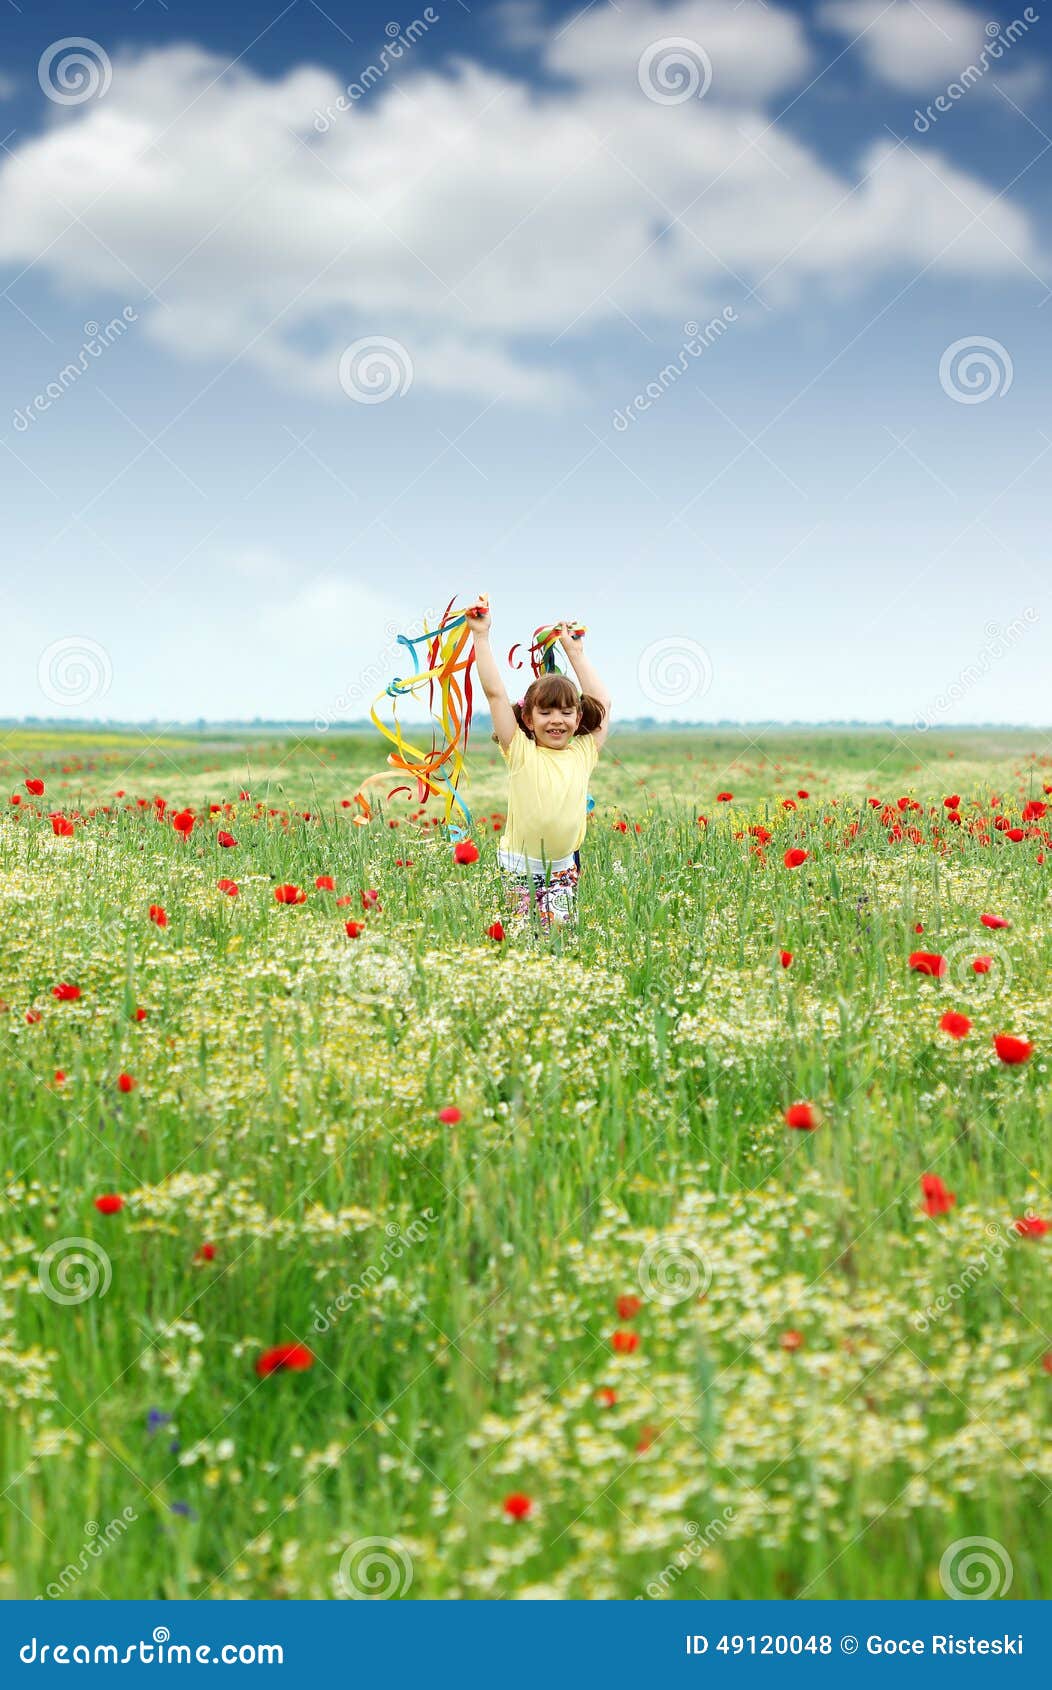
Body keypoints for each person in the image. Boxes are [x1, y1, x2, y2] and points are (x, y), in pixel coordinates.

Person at [467, 605, 611, 929]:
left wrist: (575, 652)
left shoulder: (583, 752)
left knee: (560, 943)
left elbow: (603, 702)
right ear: (528, 720)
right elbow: (495, 695)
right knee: (520, 941)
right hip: (518, 868)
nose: (556, 720)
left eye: (565, 712)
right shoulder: (520, 751)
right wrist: (481, 636)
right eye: (545, 713)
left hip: (563, 869)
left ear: (578, 717)